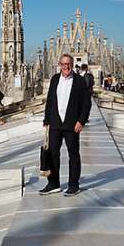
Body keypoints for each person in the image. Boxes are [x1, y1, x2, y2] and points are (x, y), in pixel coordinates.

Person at [40, 54, 92, 197]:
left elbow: (86, 103)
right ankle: (53, 184)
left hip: (71, 124)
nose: (66, 66)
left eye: (68, 63)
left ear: (72, 64)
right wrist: (46, 120)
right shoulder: (55, 79)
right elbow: (50, 100)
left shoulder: (79, 81)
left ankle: (74, 185)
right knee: (52, 154)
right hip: (55, 123)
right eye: (63, 64)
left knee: (73, 155)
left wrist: (81, 121)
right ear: (59, 65)